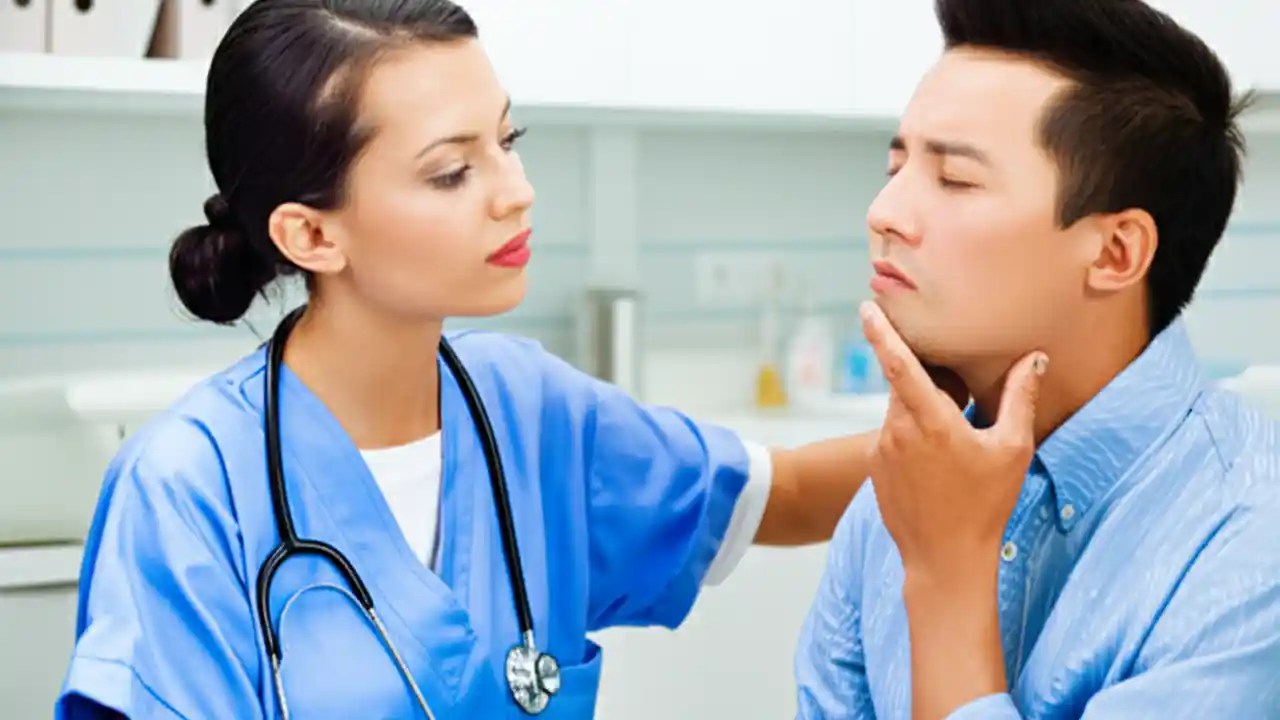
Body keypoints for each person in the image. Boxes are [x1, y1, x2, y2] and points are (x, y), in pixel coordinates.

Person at [54, 2, 878, 718]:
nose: (515, 189)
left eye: (507, 139)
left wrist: (1003, 435)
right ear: (310, 234)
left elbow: (791, 494)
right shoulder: (189, 488)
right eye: (452, 172)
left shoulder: (531, 409)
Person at [794, 0, 1280, 718]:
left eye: (954, 179)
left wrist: (947, 580)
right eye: (895, 166)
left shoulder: (1250, 545)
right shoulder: (896, 496)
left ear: (1116, 253)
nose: (885, 211)